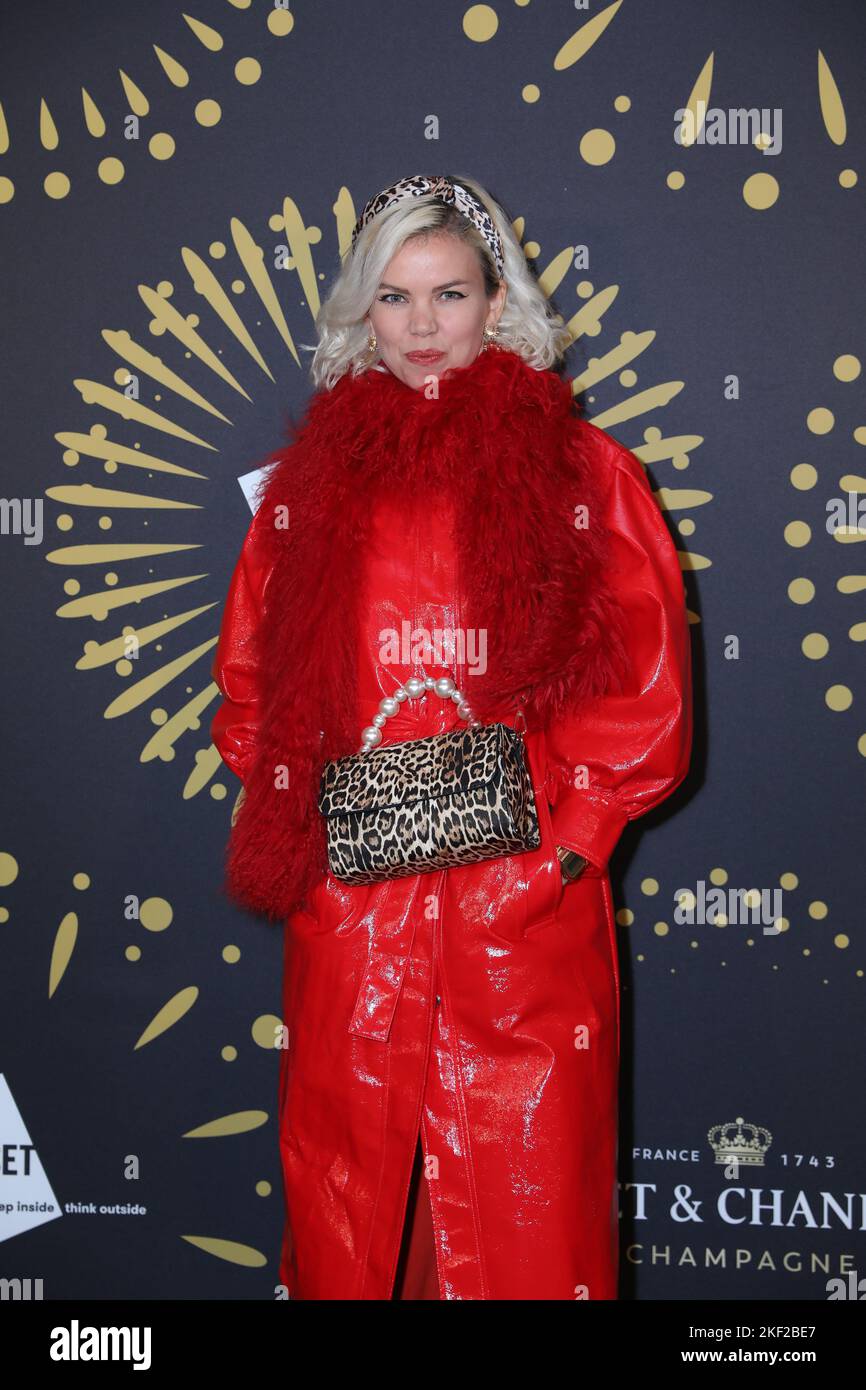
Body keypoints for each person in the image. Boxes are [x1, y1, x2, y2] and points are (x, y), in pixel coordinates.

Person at [210, 172, 693, 1300]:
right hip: (358, 916)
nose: (423, 327)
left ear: (496, 301)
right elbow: (251, 693)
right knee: (349, 1216)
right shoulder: (303, 497)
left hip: (521, 912)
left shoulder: (587, 477)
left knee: (528, 1221)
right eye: (393, 297)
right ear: (358, 314)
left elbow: (643, 696)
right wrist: (325, 839)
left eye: (449, 293)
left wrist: (562, 851)